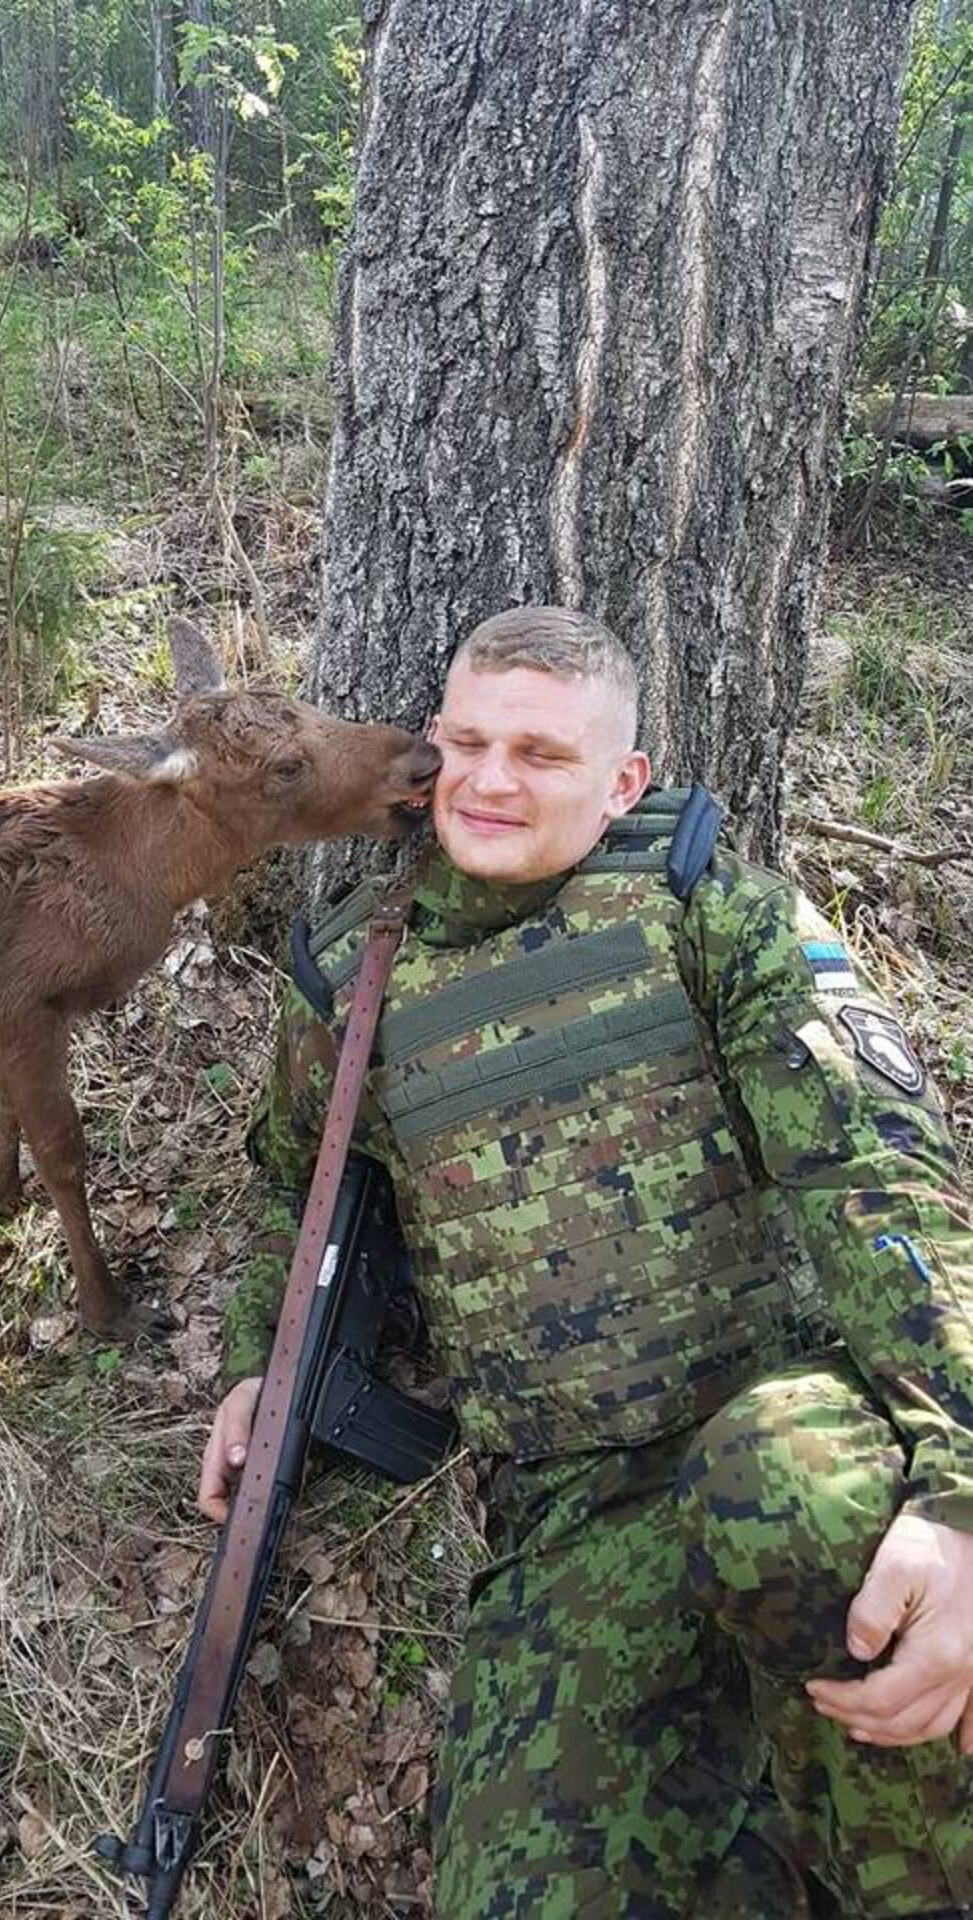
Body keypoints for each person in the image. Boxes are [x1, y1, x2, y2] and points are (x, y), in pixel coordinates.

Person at [199, 607, 973, 1919]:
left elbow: (879, 1178)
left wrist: (959, 1485)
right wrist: (249, 1371)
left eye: (542, 755)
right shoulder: (359, 972)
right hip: (573, 1515)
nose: (493, 781)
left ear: (622, 782)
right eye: (469, 743)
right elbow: (303, 1189)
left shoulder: (709, 910)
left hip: (792, 1427)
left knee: (779, 1482)